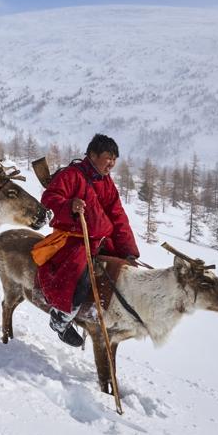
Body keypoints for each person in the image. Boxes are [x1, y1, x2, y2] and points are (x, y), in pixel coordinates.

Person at [38, 134, 139, 346]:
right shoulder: (72, 175)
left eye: (114, 158)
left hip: (101, 241)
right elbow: (49, 198)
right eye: (107, 157)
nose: (111, 163)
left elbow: (118, 216)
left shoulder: (107, 183)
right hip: (74, 238)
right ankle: (61, 318)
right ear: (92, 155)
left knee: (122, 272)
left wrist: (128, 251)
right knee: (80, 274)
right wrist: (70, 207)